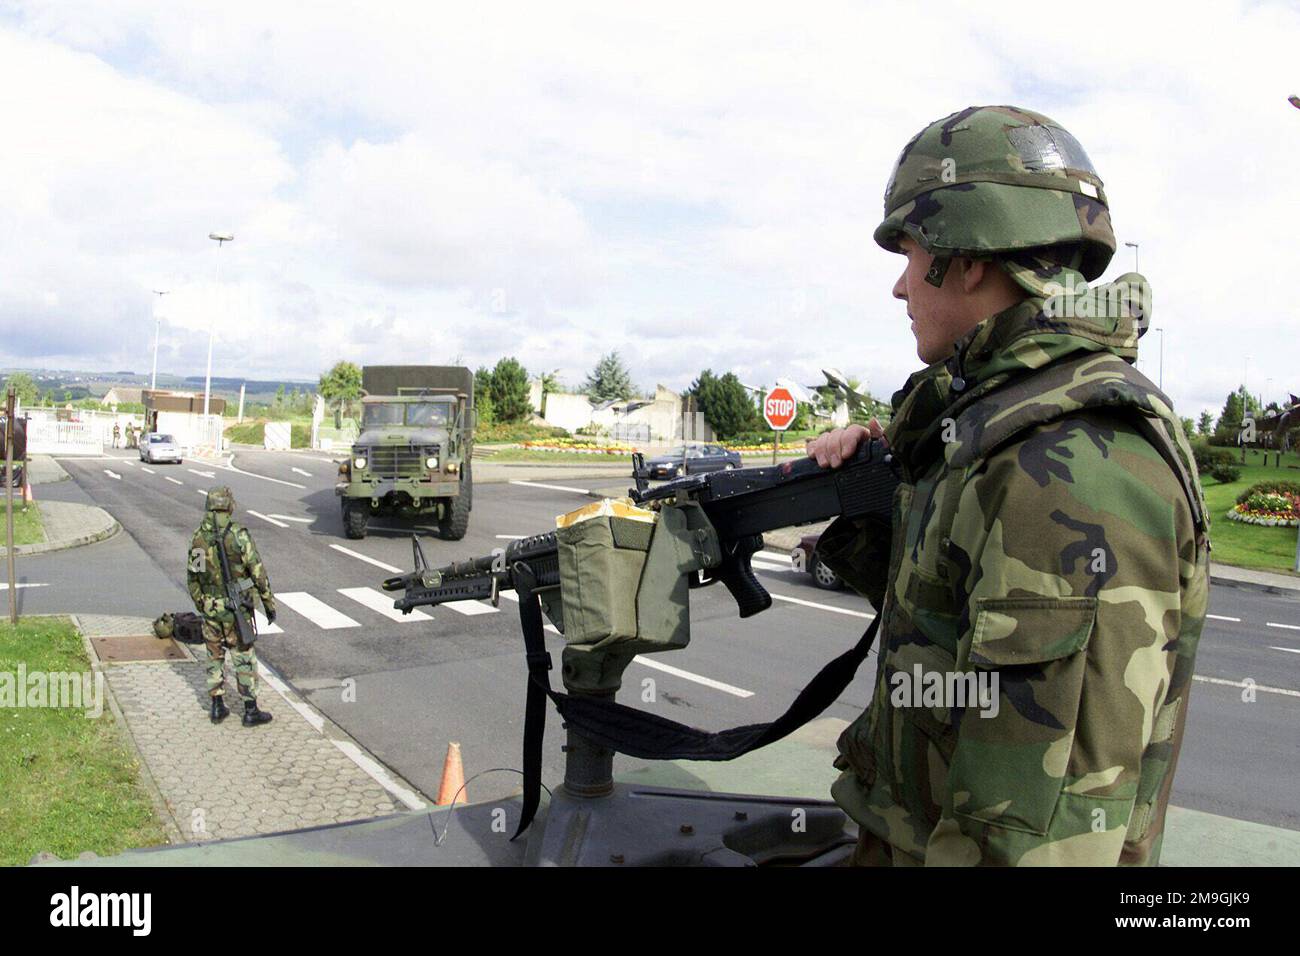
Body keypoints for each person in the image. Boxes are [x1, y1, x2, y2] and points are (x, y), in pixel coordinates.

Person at [807, 106, 1209, 866]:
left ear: (967, 259)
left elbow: (1040, 842)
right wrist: (877, 494)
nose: (898, 287)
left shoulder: (1074, 462)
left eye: (910, 251)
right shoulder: (989, 427)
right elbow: (957, 652)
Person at [186, 485, 278, 726]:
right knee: (244, 657)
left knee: (214, 656)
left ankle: (217, 707)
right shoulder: (238, 535)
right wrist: (269, 603)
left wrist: (203, 604)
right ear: (228, 506)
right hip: (236, 609)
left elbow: (193, 577)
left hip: (211, 609)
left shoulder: (198, 538)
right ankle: (250, 710)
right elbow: (257, 573)